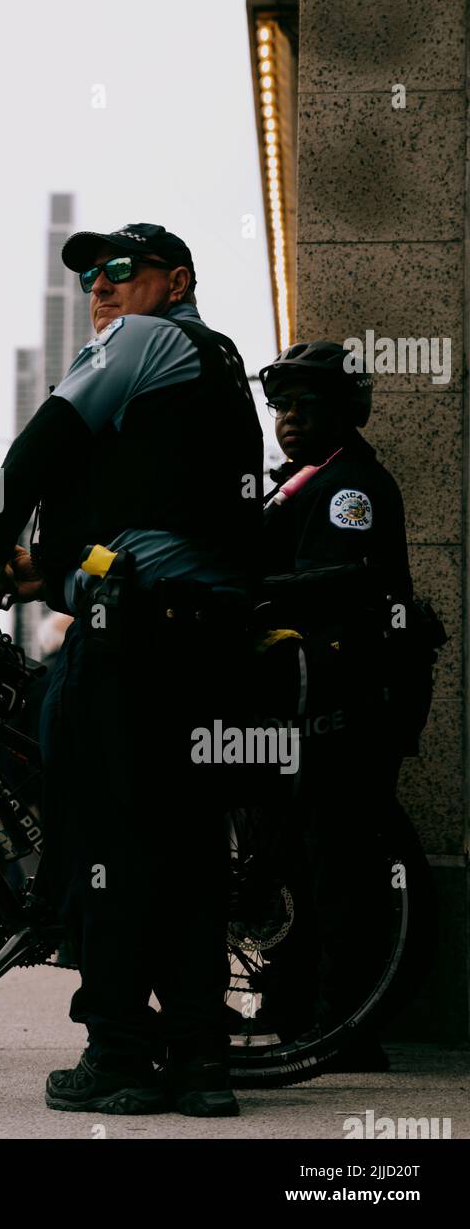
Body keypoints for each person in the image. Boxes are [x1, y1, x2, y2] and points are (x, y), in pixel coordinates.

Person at [0, 222, 263, 1117]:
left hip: (133, 650)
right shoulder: (217, 367)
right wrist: (54, 567)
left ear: (177, 280)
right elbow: (159, 515)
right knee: (190, 847)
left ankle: (122, 1056)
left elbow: (37, 448)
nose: (100, 287)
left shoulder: (141, 339)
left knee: (107, 846)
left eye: (119, 271)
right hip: (209, 642)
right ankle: (202, 1060)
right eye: (90, 277)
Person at [256, 340, 415, 1069]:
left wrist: (244, 593)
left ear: (344, 410)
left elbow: (341, 579)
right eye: (281, 407)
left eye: (304, 406)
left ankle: (346, 1031)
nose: (288, 419)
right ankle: (290, 1011)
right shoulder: (299, 481)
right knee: (293, 865)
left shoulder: (352, 485)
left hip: (348, 709)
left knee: (339, 871)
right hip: (302, 708)